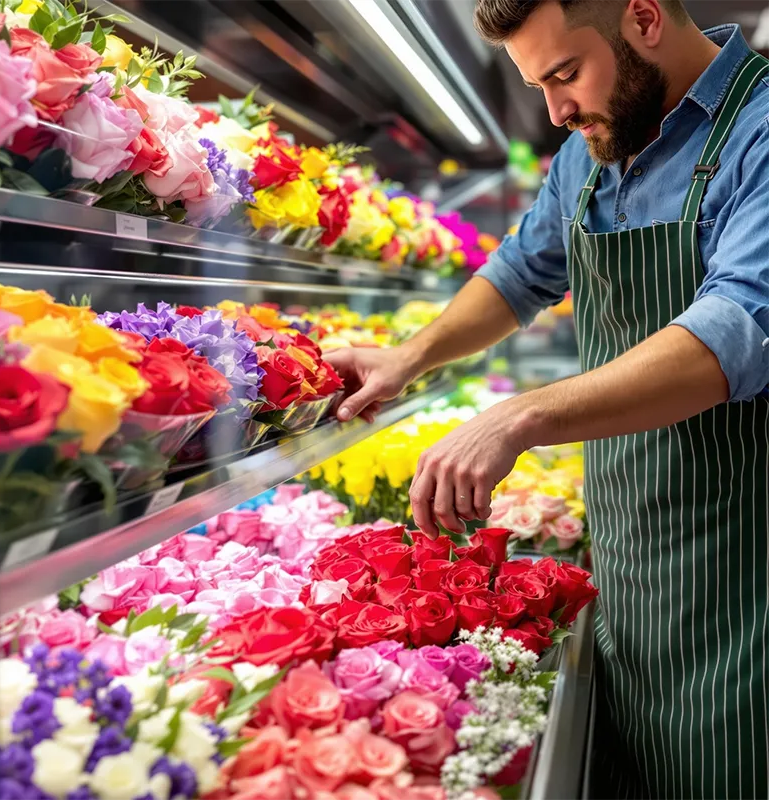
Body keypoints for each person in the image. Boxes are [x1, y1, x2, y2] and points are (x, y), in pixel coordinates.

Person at [325, 1, 769, 798]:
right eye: (539, 85)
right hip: (633, 559)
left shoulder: (758, 129)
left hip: (744, 572)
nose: (555, 111)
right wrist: (408, 358)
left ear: (642, 17)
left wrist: (520, 414)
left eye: (565, 74)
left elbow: (734, 331)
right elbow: (520, 273)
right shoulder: (593, 148)